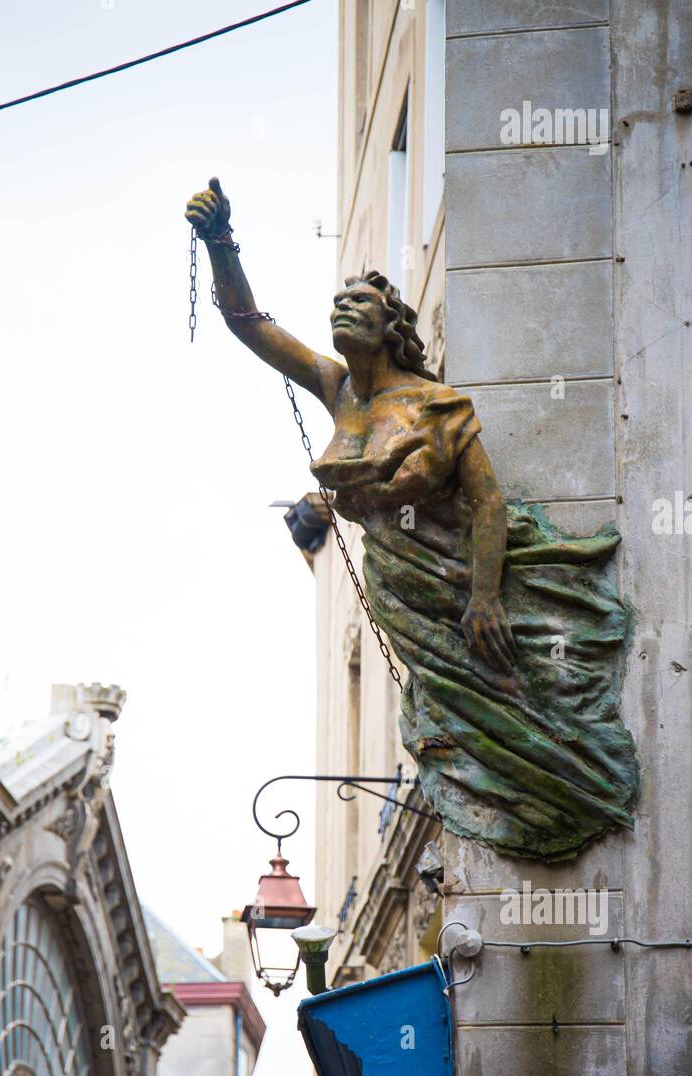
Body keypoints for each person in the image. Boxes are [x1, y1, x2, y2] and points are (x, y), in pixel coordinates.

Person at [186, 178, 638, 861]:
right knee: (459, 700)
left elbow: (488, 502)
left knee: (509, 681)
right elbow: (249, 323)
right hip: (398, 584)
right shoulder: (336, 390)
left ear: (391, 326)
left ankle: (575, 784)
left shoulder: (435, 404)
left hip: (461, 575)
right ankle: (528, 798)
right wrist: (220, 243)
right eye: (337, 302)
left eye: (359, 302)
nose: (343, 309)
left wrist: (487, 595)